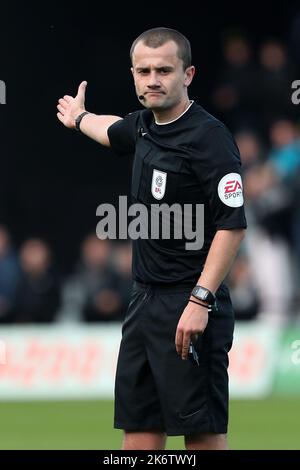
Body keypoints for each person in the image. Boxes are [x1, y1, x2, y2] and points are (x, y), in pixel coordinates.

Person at [57, 27, 247, 450]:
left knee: (201, 436)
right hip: (143, 302)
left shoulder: (210, 139)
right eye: (143, 71)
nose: (153, 79)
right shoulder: (143, 126)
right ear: (133, 75)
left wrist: (201, 300)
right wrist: (80, 119)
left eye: (164, 69)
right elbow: (113, 130)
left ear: (189, 74)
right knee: (139, 432)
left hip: (191, 305)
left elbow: (231, 226)